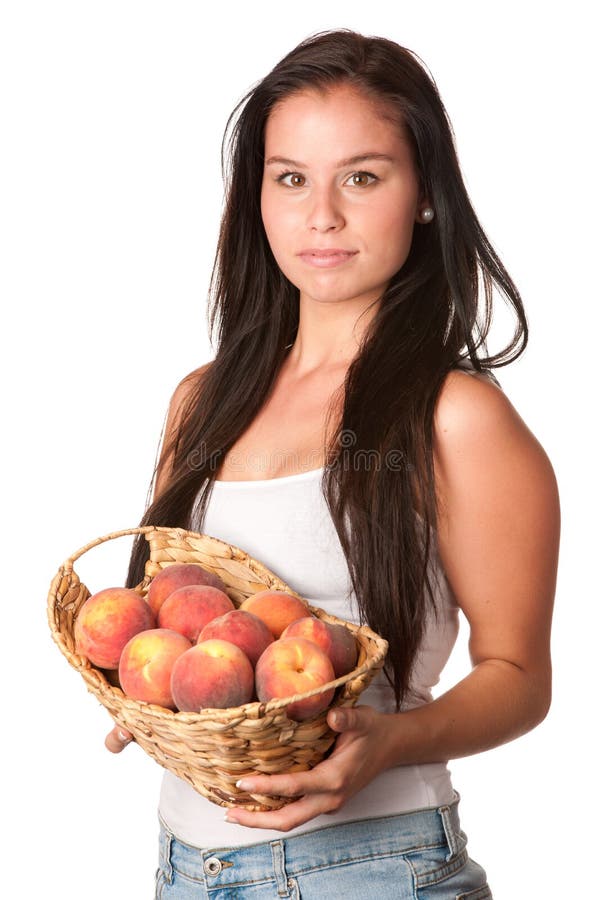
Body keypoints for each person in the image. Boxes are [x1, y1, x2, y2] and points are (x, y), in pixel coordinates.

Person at [106, 28, 560, 898]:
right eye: (290, 179)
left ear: (423, 195)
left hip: (372, 868)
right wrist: (145, 695)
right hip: (185, 867)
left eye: (362, 177)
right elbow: (176, 615)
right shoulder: (201, 401)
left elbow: (520, 677)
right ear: (257, 197)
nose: (322, 215)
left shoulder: (456, 417)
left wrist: (389, 742)